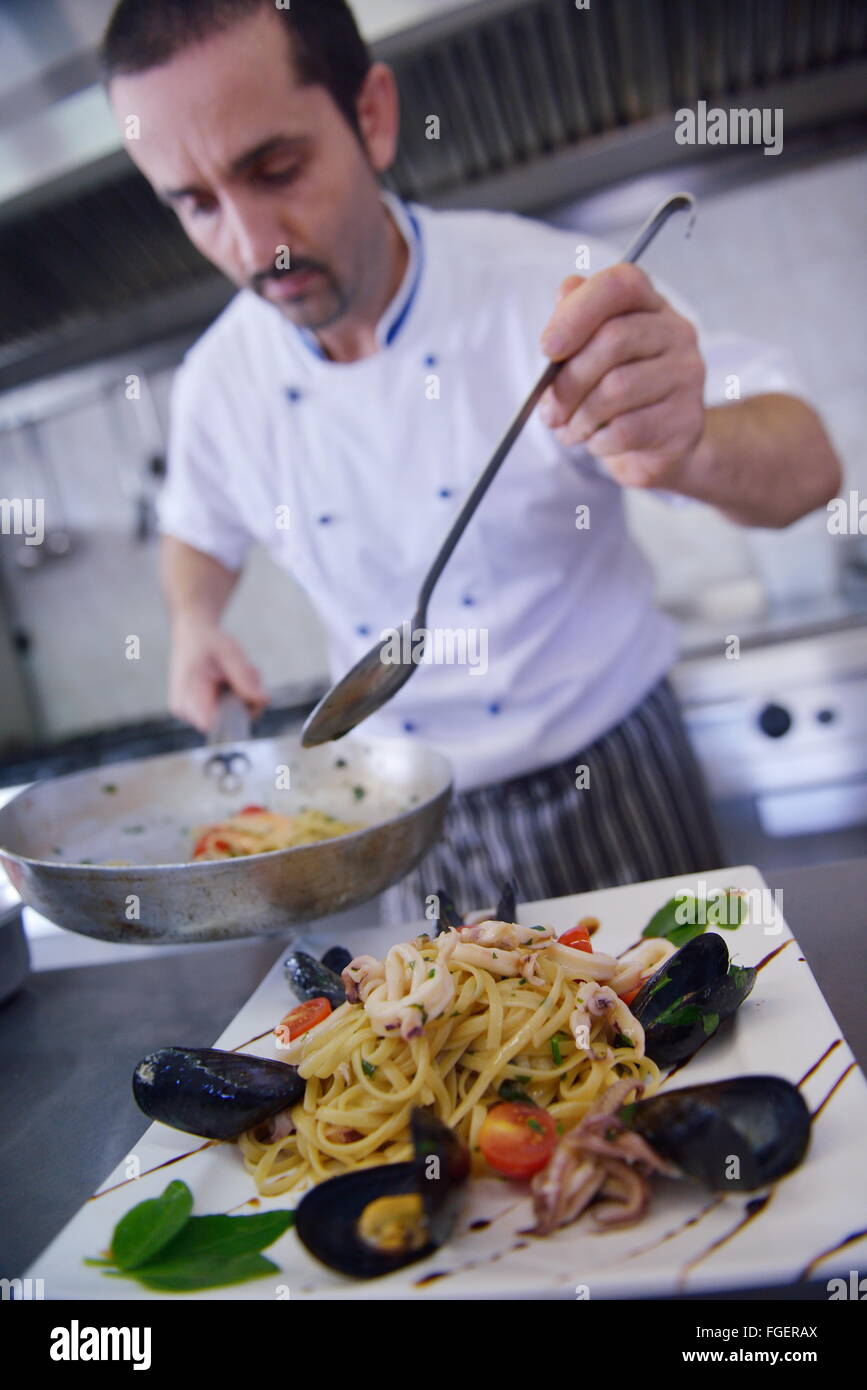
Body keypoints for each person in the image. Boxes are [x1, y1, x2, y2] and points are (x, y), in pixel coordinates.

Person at [101, 0, 841, 923]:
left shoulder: (541, 287)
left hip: (617, 776)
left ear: (371, 115)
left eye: (277, 169)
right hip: (400, 813)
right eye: (198, 204)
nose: (256, 248)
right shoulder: (219, 380)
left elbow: (810, 468)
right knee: (426, 1063)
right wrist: (193, 619)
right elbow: (196, 529)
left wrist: (686, 440)